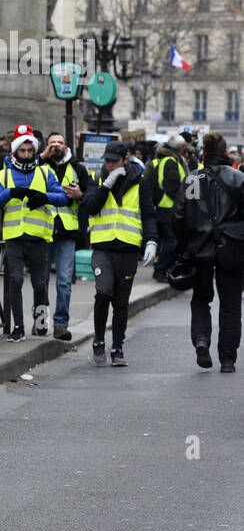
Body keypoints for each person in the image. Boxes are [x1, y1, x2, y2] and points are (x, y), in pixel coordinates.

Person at [0, 124, 67, 341]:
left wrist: (45, 197)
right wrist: (9, 193)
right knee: (15, 281)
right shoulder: (3, 175)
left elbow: (63, 198)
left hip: (39, 237)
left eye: (30, 151)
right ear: (15, 151)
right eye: (23, 151)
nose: (27, 155)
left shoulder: (45, 171)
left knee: (40, 284)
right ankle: (18, 327)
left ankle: (41, 324)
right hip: (14, 238)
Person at [80, 141, 158, 367]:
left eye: (114, 161)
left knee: (121, 302)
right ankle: (98, 341)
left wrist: (152, 240)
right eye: (107, 160)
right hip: (103, 247)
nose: (110, 164)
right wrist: (106, 185)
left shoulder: (140, 183)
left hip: (127, 248)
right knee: (103, 293)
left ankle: (117, 348)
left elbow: (148, 214)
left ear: (126, 159)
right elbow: (90, 207)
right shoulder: (97, 178)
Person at [173, 132, 244, 372]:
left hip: (200, 248)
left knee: (201, 299)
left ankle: (202, 340)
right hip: (231, 248)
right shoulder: (237, 178)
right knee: (231, 304)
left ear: (204, 154)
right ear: (225, 154)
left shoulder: (193, 179)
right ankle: (227, 359)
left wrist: (186, 245)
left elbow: (179, 215)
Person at [42, 131, 89, 340]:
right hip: (43, 231)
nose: (56, 146)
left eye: (60, 142)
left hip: (67, 232)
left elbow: (90, 197)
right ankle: (40, 322)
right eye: (52, 143)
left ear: (67, 147)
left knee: (63, 281)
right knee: (40, 281)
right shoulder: (39, 166)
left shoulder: (78, 168)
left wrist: (80, 196)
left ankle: (61, 324)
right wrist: (41, 156)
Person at [147, 134, 188, 283]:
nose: (185, 150)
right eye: (183, 147)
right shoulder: (171, 161)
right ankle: (160, 270)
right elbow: (172, 187)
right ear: (179, 147)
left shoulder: (172, 160)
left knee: (172, 240)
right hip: (168, 208)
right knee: (172, 241)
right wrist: (182, 202)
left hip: (168, 208)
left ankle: (165, 268)